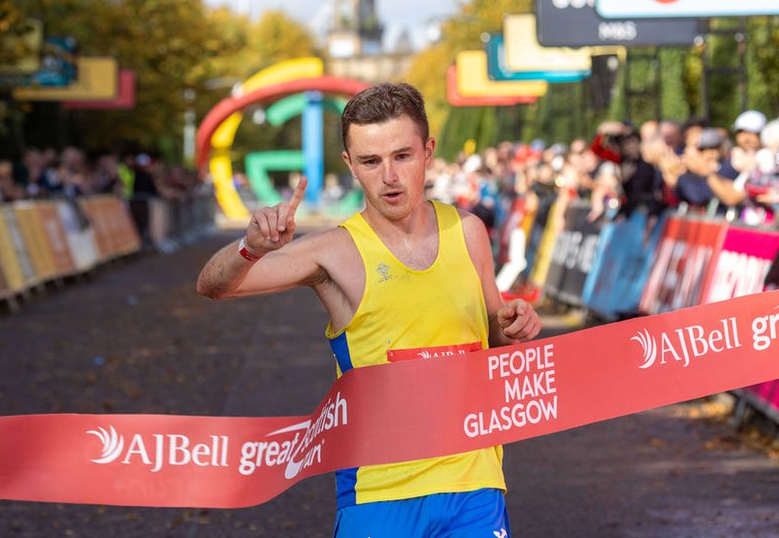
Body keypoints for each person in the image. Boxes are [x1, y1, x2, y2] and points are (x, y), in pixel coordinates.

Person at [197, 82, 541, 537]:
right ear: (351, 166)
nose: (390, 177)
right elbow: (213, 285)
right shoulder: (331, 252)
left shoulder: (468, 231)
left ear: (428, 152)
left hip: (474, 484)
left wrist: (513, 327)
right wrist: (250, 247)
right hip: (378, 492)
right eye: (371, 162)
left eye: (402, 156)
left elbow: (495, 339)